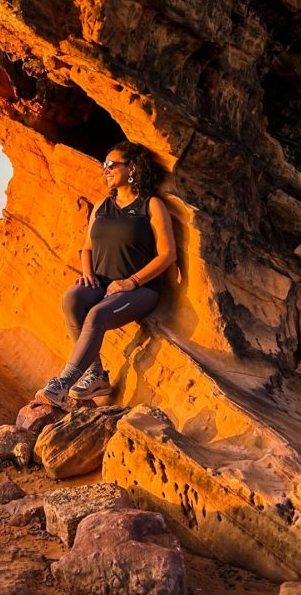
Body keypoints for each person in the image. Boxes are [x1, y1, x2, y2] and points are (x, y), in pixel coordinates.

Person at [37, 141, 176, 407]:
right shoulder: (102, 206)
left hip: (140, 290)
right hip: (100, 283)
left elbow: (167, 255)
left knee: (97, 315)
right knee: (72, 300)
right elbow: (87, 248)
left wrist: (131, 281)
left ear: (132, 168)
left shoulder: (151, 205)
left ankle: (62, 384)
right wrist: (87, 273)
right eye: (104, 165)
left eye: (112, 165)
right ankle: (95, 375)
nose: (106, 170)